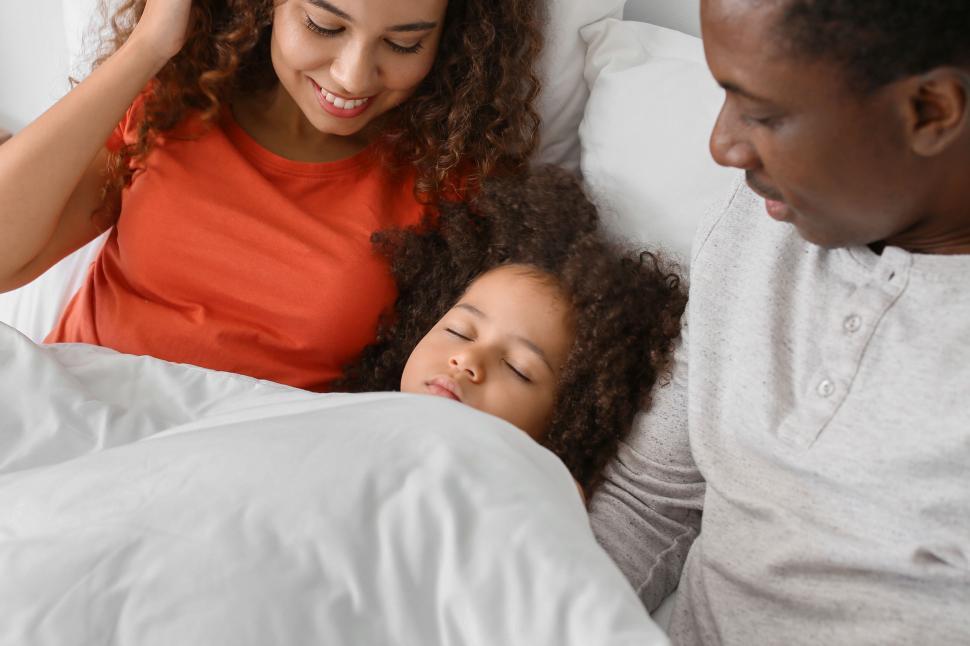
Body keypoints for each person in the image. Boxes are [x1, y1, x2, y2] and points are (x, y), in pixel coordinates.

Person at [589, 1, 970, 644]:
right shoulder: (763, 224)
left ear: (930, 110)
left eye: (764, 114)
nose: (722, 146)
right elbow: (652, 501)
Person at [0, 0, 541, 391]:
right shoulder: (174, 101)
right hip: (69, 422)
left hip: (241, 490)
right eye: (323, 25)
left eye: (404, 43)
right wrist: (150, 44)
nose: (352, 76)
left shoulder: (444, 179)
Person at [335, 167, 688, 496]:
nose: (468, 359)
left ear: (560, 423)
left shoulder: (538, 504)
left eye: (518, 368)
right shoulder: (341, 420)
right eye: (459, 331)